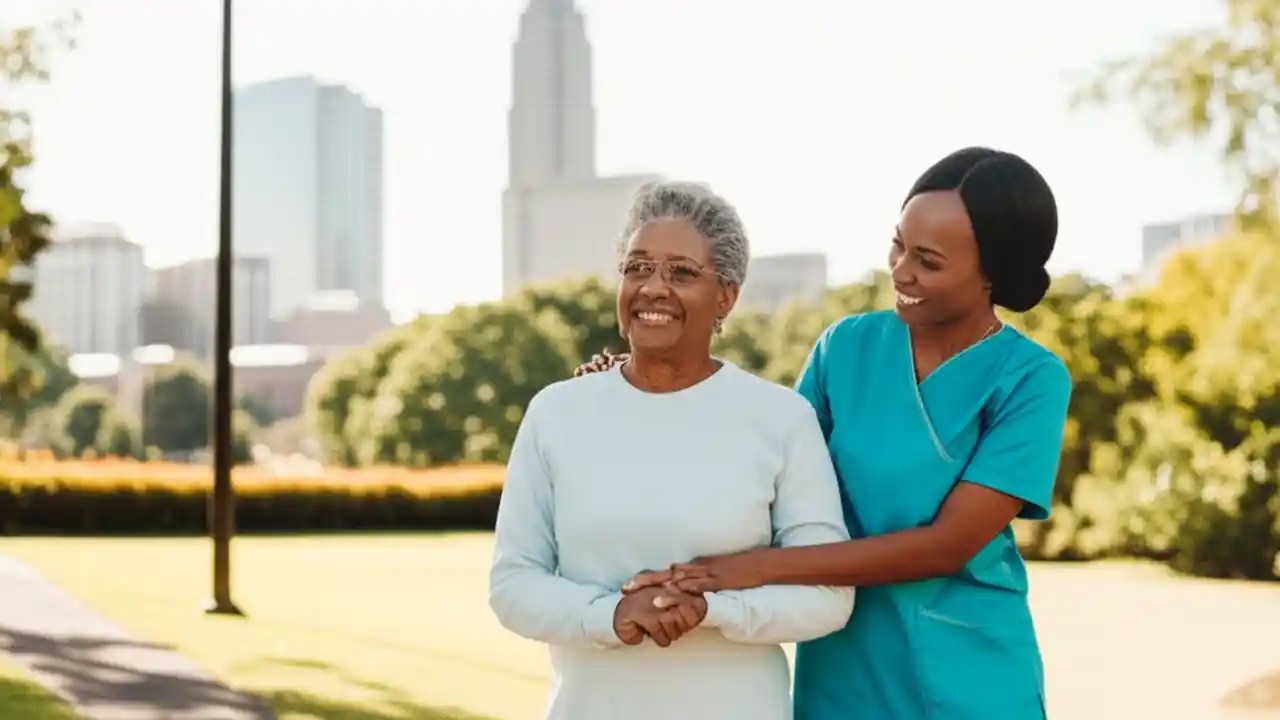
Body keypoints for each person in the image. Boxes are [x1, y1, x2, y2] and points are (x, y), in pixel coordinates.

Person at [582, 147, 1073, 719]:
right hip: (842, 670)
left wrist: (755, 568)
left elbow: (948, 545)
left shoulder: (1031, 379)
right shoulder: (847, 348)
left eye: (929, 261)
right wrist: (636, 394)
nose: (901, 271)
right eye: (898, 245)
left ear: (992, 272)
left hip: (971, 676)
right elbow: (757, 466)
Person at [488, 180, 855, 719]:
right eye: (637, 267)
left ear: (726, 296)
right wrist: (612, 614)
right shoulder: (556, 414)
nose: (653, 287)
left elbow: (827, 595)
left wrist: (710, 610)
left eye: (681, 272)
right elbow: (513, 583)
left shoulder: (781, 419)